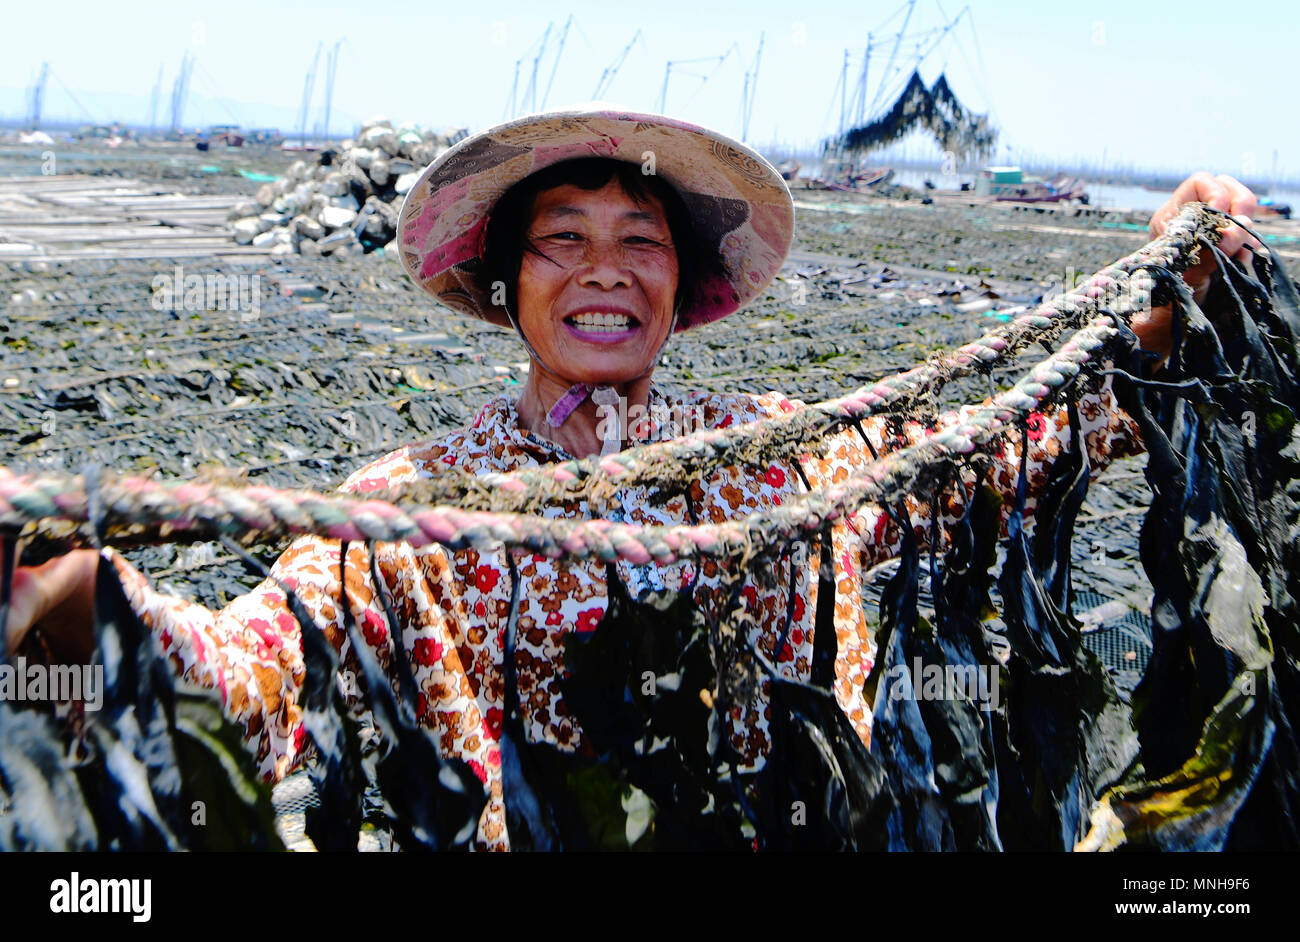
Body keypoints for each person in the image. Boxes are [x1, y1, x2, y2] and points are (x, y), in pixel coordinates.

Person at [3, 106, 1261, 850]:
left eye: (637, 241)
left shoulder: (793, 456)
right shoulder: (405, 504)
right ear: (506, 288)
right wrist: (72, 611)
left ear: (681, 289)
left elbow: (1026, 449)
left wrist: (1170, 308)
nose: (601, 269)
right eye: (561, 241)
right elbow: (247, 679)